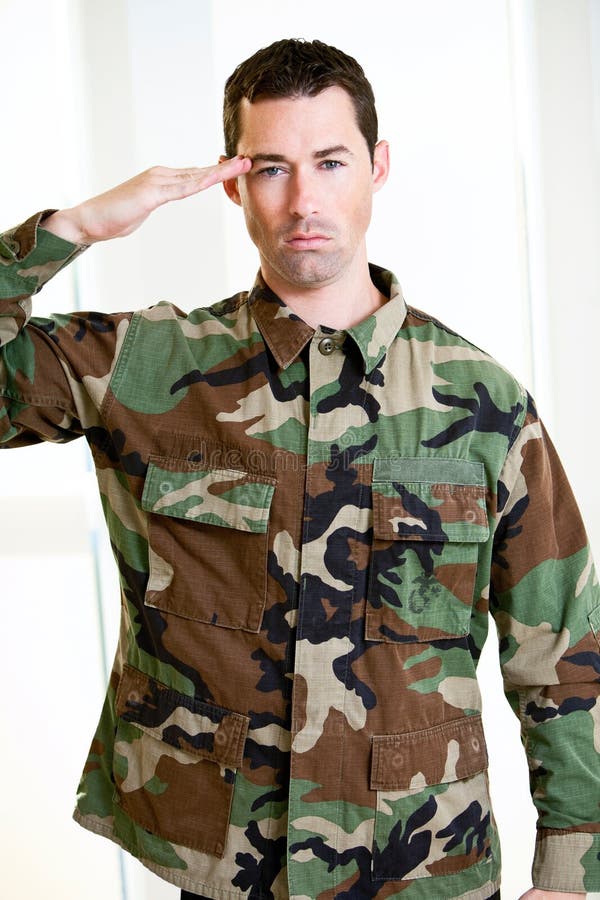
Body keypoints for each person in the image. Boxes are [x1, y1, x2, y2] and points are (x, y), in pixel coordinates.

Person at [0, 38, 598, 900]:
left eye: (330, 161)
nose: (304, 201)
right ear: (234, 183)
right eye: (272, 168)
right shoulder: (144, 365)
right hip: (221, 864)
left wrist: (570, 873)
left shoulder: (486, 401)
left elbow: (565, 650)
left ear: (377, 166)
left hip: (425, 864)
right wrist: (76, 227)